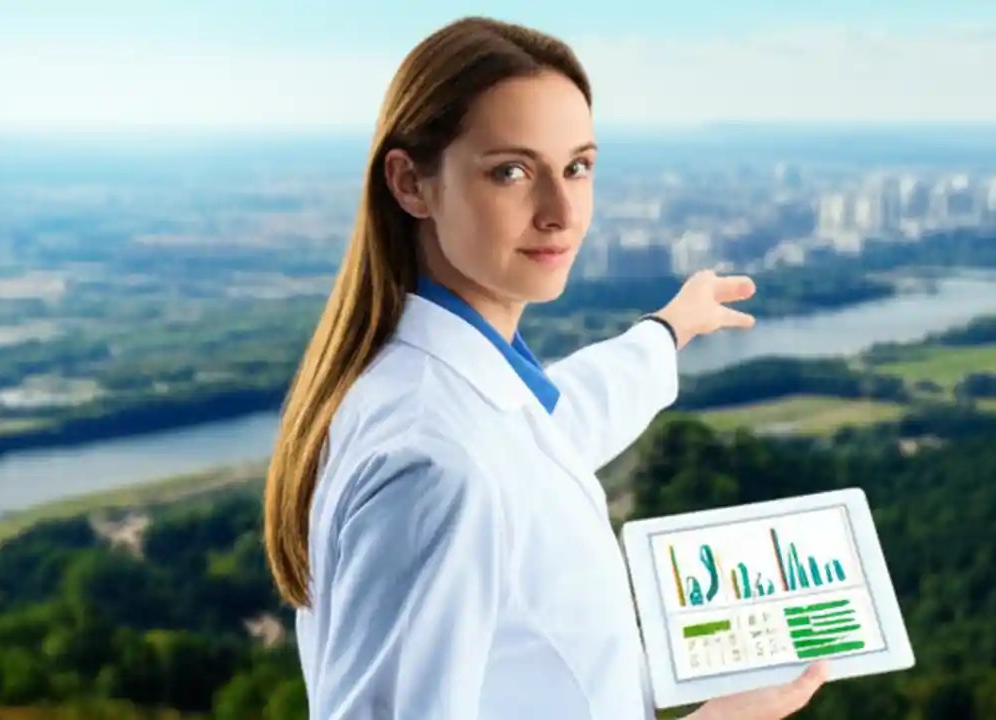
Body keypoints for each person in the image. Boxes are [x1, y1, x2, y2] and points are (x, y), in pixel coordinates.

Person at [262, 15, 829, 720]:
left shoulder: (445, 389)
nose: (561, 212)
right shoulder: (439, 465)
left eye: (577, 167)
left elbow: (553, 426)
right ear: (411, 185)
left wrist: (666, 332)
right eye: (512, 172)